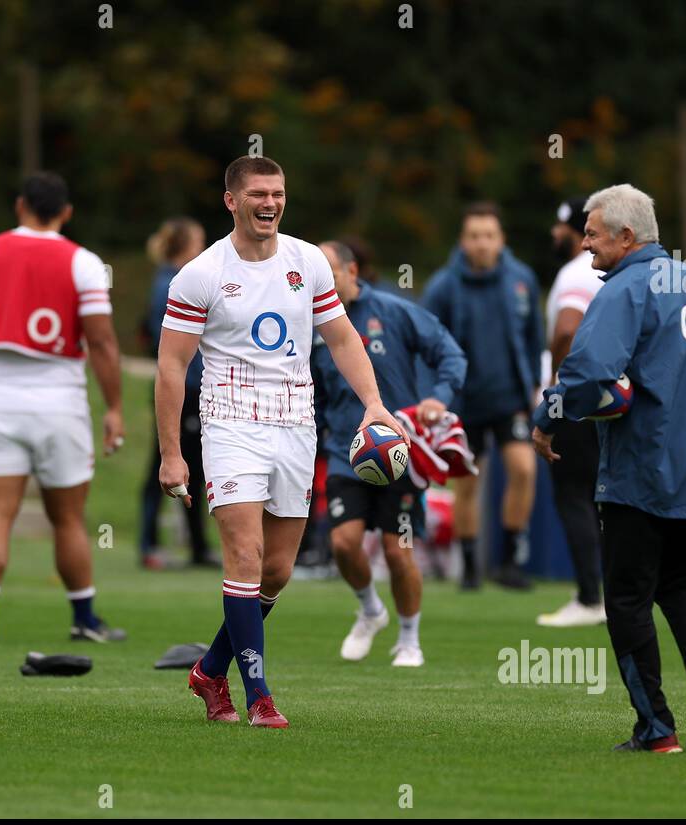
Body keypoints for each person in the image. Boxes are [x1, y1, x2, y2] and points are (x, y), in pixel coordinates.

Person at [156, 155, 407, 728]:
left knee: (276, 572)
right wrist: (172, 454)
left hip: (297, 425)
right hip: (229, 425)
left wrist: (373, 403)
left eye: (278, 194)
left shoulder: (308, 260)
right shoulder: (201, 273)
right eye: (257, 195)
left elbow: (342, 339)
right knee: (244, 557)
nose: (269, 203)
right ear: (231, 201)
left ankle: (209, 670)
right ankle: (259, 696)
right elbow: (172, 366)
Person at [531, 183, 686, 753]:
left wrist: (546, 417)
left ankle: (657, 730)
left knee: (624, 600)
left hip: (640, 473)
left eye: (594, 233)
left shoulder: (626, 289)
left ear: (627, 236)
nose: (586, 243)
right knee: (682, 585)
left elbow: (590, 369)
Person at [0, 172, 126, 644]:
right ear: (66, 213)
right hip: (59, 401)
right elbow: (103, 341)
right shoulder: (82, 261)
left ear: (19, 205)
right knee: (67, 517)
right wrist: (114, 407)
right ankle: (84, 619)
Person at [311, 240, 466, 667]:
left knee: (398, 551)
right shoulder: (314, 328)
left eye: (328, 271)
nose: (320, 281)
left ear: (352, 271)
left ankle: (410, 638)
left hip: (398, 453)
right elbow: (316, 395)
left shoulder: (394, 312)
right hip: (346, 453)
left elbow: (449, 352)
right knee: (343, 544)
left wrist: (440, 396)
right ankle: (369, 610)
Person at [422, 201, 543, 591]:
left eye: (489, 236)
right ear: (463, 240)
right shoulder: (443, 285)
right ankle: (471, 566)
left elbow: (534, 338)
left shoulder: (521, 279)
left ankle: (509, 561)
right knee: (468, 484)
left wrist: (536, 388)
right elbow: (427, 344)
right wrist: (436, 398)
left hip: (511, 399)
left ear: (500, 239)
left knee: (524, 469)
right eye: (474, 236)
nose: (482, 243)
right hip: (463, 404)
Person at [536, 198, 607, 627]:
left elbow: (566, 328)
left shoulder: (577, 271)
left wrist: (561, 390)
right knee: (603, 501)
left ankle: (588, 597)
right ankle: (612, 595)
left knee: (573, 496)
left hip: (581, 400)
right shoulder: (624, 272)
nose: (556, 235)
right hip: (617, 400)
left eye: (563, 227)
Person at [138, 217, 214, 569]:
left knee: (196, 469)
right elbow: (165, 344)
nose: (203, 247)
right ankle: (148, 545)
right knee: (164, 464)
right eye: (197, 241)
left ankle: (197, 547)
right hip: (182, 390)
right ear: (184, 245)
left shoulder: (179, 280)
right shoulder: (171, 284)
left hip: (193, 388)